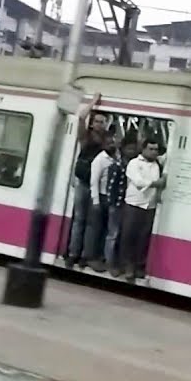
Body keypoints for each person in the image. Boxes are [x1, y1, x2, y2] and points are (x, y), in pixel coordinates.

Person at [117, 138, 165, 282]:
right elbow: (138, 183)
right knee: (129, 236)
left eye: (156, 150)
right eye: (151, 149)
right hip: (133, 204)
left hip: (149, 207)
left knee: (143, 238)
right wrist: (157, 183)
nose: (154, 152)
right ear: (143, 149)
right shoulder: (134, 164)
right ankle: (127, 266)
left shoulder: (157, 165)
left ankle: (139, 266)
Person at [65, 113, 109, 268]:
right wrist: (93, 101)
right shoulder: (86, 136)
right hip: (83, 182)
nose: (98, 124)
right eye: (96, 121)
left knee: (92, 222)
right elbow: (81, 117)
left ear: (106, 124)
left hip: (96, 185)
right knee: (79, 219)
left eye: (101, 122)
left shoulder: (107, 140)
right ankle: (73, 253)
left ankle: (85, 255)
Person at [82, 134, 118, 270]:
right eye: (109, 143)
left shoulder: (116, 158)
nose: (112, 145)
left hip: (110, 197)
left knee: (104, 229)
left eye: (113, 143)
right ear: (104, 145)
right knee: (94, 228)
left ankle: (99, 256)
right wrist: (95, 201)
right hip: (100, 197)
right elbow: (94, 182)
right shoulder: (100, 160)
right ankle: (90, 257)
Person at [104, 139, 138, 276]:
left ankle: (118, 262)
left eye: (134, 149)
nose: (131, 151)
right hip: (117, 204)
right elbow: (111, 187)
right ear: (123, 149)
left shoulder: (133, 166)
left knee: (122, 235)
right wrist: (111, 204)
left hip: (128, 205)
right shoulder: (117, 166)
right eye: (129, 148)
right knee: (113, 234)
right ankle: (109, 262)